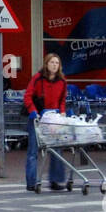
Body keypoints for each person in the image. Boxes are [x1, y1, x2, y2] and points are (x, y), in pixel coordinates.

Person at [23, 53, 68, 192]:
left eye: (57, 63)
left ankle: (56, 179)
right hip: (38, 117)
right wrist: (33, 111)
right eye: (52, 62)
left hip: (53, 117)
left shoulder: (62, 81)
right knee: (33, 151)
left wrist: (62, 112)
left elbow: (62, 100)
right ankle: (31, 182)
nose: (54, 65)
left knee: (56, 149)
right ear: (46, 64)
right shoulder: (38, 79)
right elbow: (28, 96)